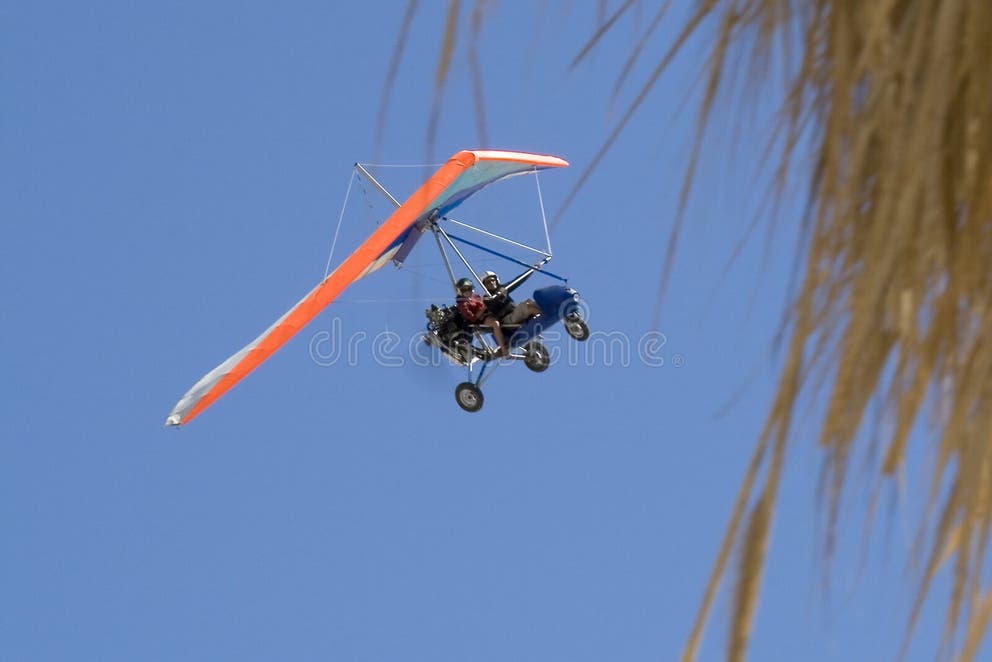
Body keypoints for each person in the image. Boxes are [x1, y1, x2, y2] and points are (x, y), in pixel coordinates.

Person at [455, 277, 509, 357]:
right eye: (464, 290)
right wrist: (484, 308)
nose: (467, 291)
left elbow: (484, 303)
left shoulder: (476, 297)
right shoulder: (462, 304)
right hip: (481, 320)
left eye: (469, 288)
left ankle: (508, 338)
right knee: (495, 323)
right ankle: (503, 349)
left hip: (489, 313)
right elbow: (472, 318)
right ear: (460, 291)